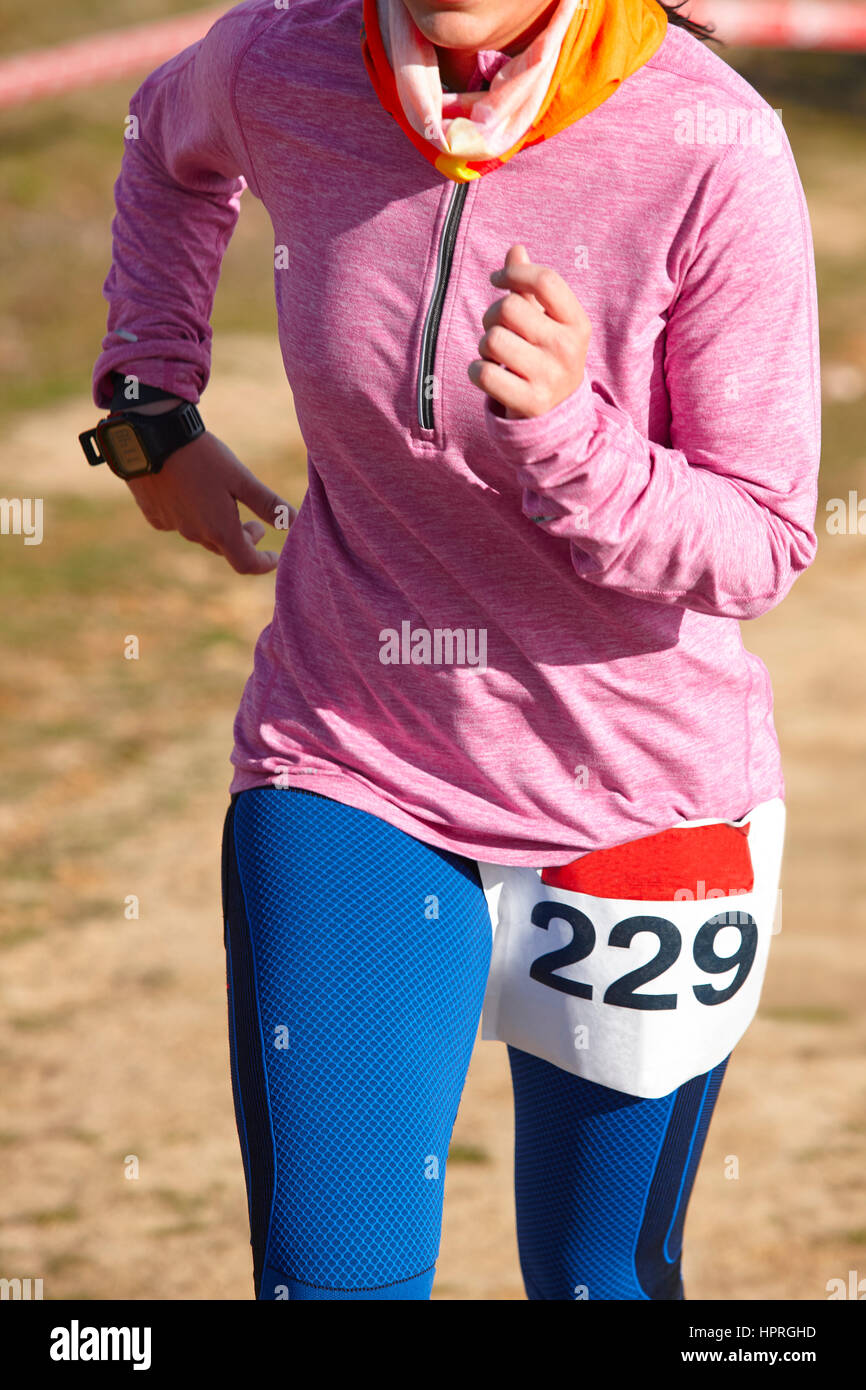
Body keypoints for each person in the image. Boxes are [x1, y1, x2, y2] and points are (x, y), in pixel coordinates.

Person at [88, 0, 820, 1300]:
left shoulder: (712, 142)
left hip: (637, 800)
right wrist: (151, 401)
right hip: (350, 757)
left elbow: (759, 541)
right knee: (335, 1280)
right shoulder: (286, 58)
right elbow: (164, 132)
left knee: (598, 1275)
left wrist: (569, 444)